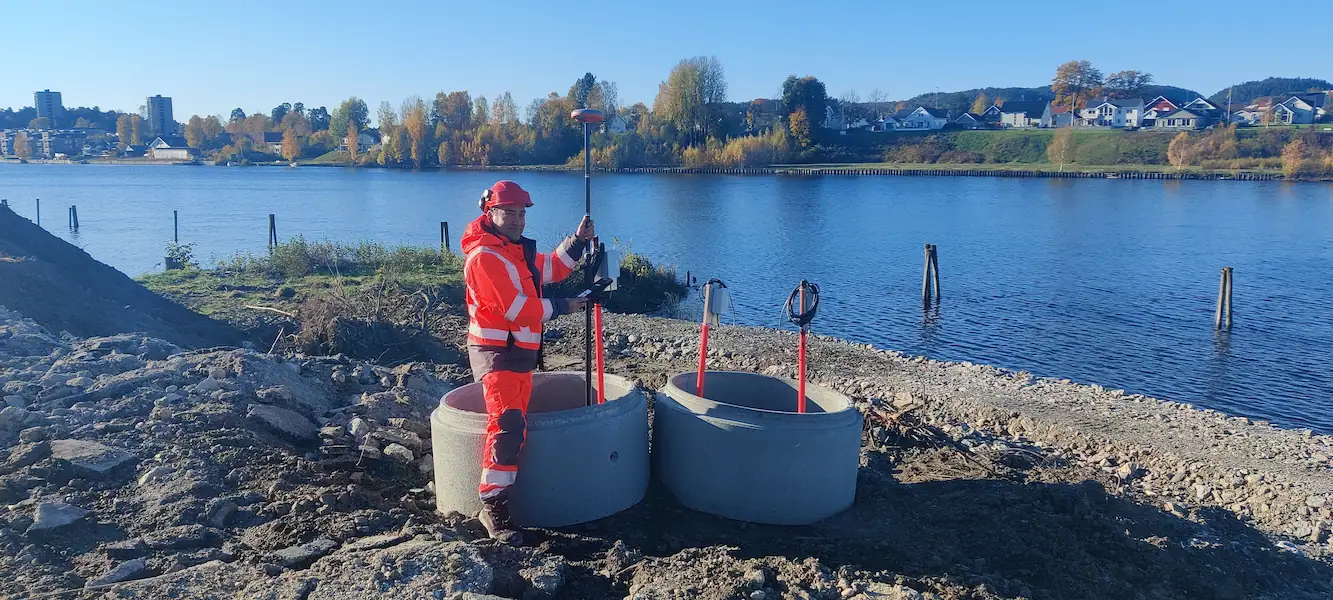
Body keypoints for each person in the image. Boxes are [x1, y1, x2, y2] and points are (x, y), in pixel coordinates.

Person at [459, 179, 594, 544]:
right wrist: (565, 305)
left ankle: (497, 501)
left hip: (518, 356)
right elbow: (517, 310)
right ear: (491, 212)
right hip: (498, 355)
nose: (518, 220)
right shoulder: (485, 258)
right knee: (506, 427)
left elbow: (551, 268)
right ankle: (493, 506)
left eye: (521, 213)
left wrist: (577, 242)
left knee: (512, 426)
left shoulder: (513, 251)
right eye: (510, 213)